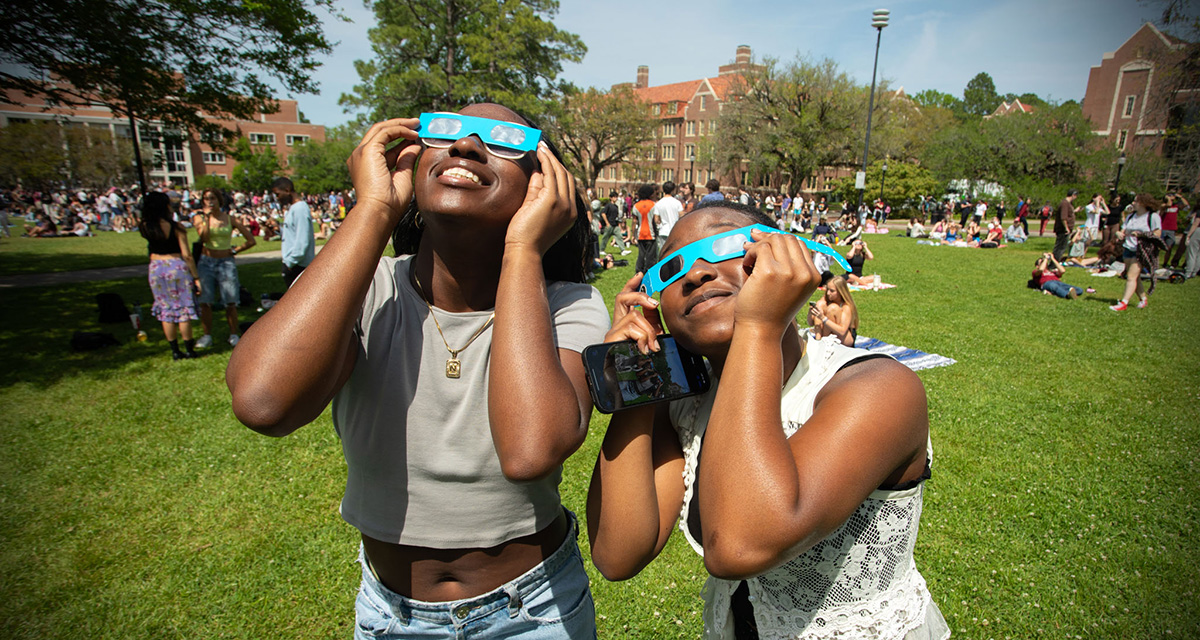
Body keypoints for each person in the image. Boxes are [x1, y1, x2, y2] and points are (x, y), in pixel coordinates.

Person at [226, 104, 609, 637]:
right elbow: (263, 402)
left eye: (504, 139)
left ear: (545, 186)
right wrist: (374, 209)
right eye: (444, 130)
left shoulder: (568, 305)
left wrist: (523, 249)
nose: (466, 145)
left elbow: (530, 450)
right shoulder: (363, 287)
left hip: (534, 609)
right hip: (391, 615)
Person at [587, 200, 947, 640]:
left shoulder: (878, 387)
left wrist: (758, 327)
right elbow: (617, 554)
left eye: (725, 246)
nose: (695, 272)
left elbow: (740, 545)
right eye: (671, 268)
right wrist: (636, 380)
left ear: (784, 257)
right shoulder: (687, 405)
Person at [139, 192, 200, 360]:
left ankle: (175, 350)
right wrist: (196, 277)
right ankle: (189, 349)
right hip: (177, 266)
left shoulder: (146, 226)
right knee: (183, 309)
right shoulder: (176, 227)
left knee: (166, 309)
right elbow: (187, 254)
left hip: (156, 267)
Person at [193, 189, 256, 348]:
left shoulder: (230, 219)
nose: (209, 201)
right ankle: (207, 335)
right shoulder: (199, 218)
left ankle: (233, 334)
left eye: (212, 198)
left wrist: (235, 250)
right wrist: (207, 219)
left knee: (230, 301)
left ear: (219, 200)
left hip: (226, 262)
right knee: (205, 301)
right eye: (206, 199)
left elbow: (251, 240)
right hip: (206, 261)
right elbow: (203, 238)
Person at [1111, 193, 1162, 311]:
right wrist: (1119, 233)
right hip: (1128, 248)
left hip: (1141, 250)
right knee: (1135, 277)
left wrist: (1141, 235)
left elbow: (1157, 234)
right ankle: (1143, 299)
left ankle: (1124, 303)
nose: (1133, 203)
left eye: (1135, 201)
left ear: (1143, 203)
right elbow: (1123, 230)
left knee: (1131, 276)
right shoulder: (1131, 216)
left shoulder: (1153, 217)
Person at [274, 177, 315, 288]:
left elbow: (303, 240)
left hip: (298, 265)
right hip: (294, 263)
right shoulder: (293, 209)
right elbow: (292, 234)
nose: (277, 198)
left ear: (287, 190)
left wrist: (290, 263)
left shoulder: (300, 209)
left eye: (278, 194)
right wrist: (277, 229)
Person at [807, 275, 859, 346]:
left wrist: (823, 318)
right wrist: (811, 313)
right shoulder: (826, 299)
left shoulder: (846, 306)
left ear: (840, 292)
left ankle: (824, 342)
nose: (828, 293)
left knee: (833, 308)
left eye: (832, 291)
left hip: (844, 337)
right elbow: (811, 323)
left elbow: (842, 332)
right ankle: (818, 341)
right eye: (827, 289)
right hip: (828, 335)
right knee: (820, 304)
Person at [653, 180, 684, 257]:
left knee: (664, 253)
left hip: (663, 230)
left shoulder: (659, 203)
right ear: (673, 190)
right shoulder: (677, 203)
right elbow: (682, 216)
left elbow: (656, 219)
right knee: (675, 253)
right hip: (675, 231)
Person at [633, 183, 659, 274]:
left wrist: (633, 234)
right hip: (651, 233)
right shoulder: (653, 205)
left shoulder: (636, 206)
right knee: (651, 255)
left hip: (640, 233)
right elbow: (655, 220)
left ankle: (639, 271)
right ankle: (649, 271)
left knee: (641, 254)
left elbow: (634, 221)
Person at [1161, 193, 1190, 268]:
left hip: (1172, 229)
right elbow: (1168, 205)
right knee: (1158, 247)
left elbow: (1186, 205)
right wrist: (1168, 198)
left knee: (1169, 247)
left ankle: (1165, 263)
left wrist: (1180, 197)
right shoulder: (1163, 205)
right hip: (1163, 228)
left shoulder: (1176, 206)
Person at [1054, 189, 1080, 261]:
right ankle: (1054, 263)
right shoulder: (1065, 203)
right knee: (1060, 248)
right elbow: (1063, 217)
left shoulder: (1068, 204)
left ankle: (1056, 262)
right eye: (1076, 196)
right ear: (1073, 195)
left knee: (1062, 247)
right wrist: (1066, 228)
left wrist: (1074, 211)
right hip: (1063, 229)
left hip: (1065, 229)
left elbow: (1068, 214)